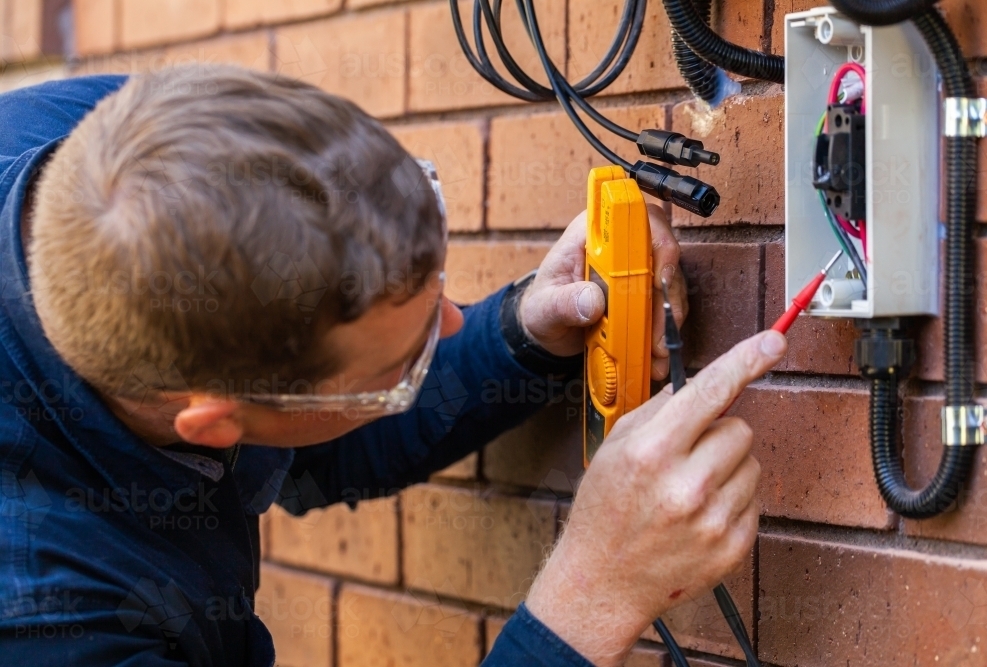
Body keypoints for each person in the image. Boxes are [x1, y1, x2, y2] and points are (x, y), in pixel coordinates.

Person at [0, 65, 787, 666]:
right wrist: (589, 597)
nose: (451, 320)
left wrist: (518, 331)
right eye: (403, 361)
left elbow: (310, 425)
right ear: (210, 422)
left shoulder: (137, 151)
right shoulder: (51, 618)